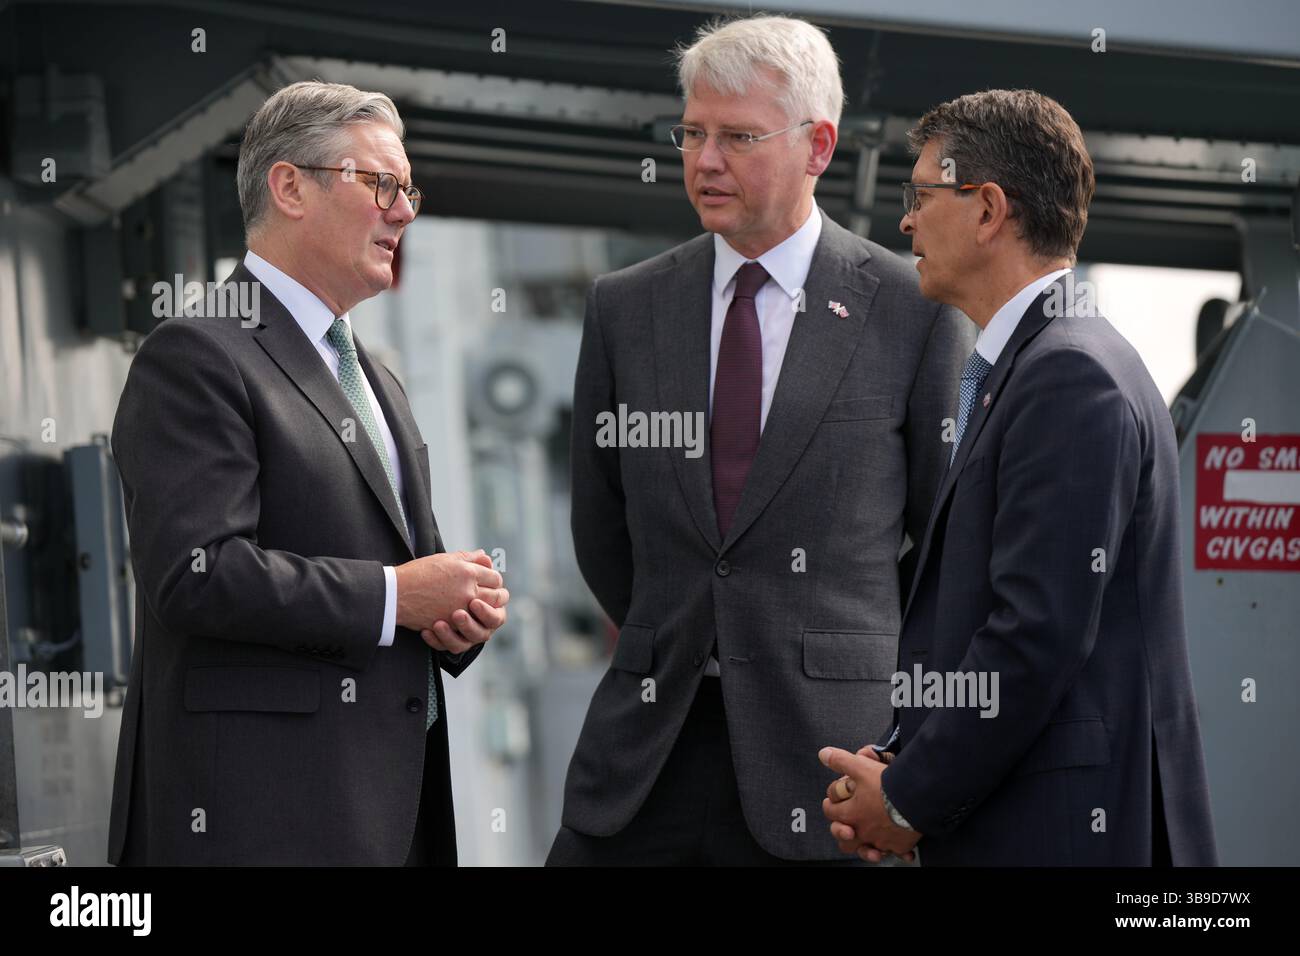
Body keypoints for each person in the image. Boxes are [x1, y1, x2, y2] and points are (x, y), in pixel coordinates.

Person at [548, 15, 970, 865]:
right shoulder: (625, 308)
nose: (704, 160)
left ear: (819, 146)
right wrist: (685, 632)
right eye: (692, 133)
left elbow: (945, 552)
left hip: (828, 773)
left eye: (737, 137)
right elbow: (602, 523)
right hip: (642, 765)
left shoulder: (914, 310)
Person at [107, 80, 508, 865]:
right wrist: (397, 597)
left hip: (391, 813)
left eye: (409, 189)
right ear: (289, 186)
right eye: (382, 184)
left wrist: (457, 613)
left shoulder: (376, 378)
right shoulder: (198, 354)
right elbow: (197, 574)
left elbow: (407, 576)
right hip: (265, 822)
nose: (405, 210)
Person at [821, 89, 1219, 867]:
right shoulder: (1052, 365)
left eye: (922, 194)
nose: (906, 221)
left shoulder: (1069, 376)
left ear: (988, 208)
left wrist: (907, 801)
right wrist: (903, 760)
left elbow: (1034, 637)